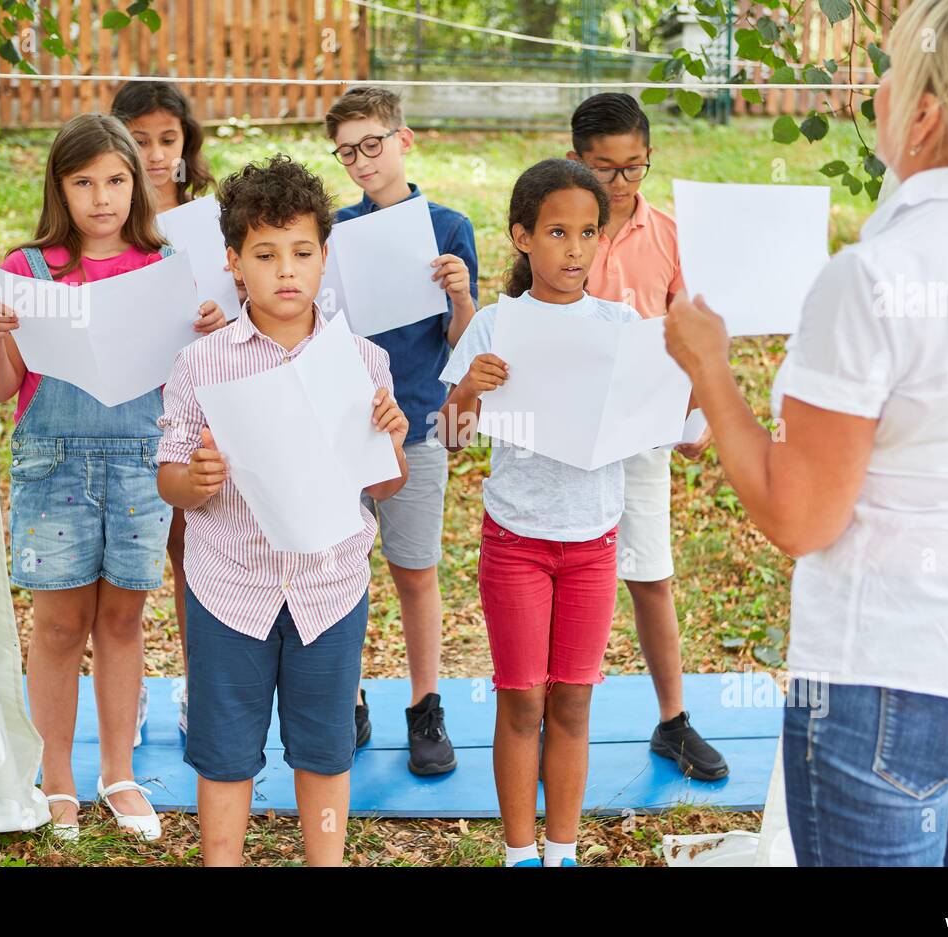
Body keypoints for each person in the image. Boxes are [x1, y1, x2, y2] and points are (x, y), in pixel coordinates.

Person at [663, 0, 948, 866]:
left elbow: (800, 519)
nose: (881, 90)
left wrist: (708, 367)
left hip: (892, 675)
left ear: (925, 112)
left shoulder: (872, 276)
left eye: (891, 72)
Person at [156, 155, 409, 866]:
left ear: (325, 257)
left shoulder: (361, 362)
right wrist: (196, 477)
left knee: (325, 751)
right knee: (225, 754)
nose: (286, 270)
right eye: (265, 255)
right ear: (234, 263)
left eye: (302, 252)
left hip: (329, 588)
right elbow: (171, 481)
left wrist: (390, 442)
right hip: (229, 587)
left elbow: (385, 489)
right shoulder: (201, 365)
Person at [0, 113, 217, 841]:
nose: (101, 197)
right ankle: (55, 773)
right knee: (58, 625)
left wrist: (210, 335)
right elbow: (3, 388)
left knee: (122, 620)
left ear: (136, 185)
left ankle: (118, 771)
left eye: (115, 180)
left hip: (139, 466)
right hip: (52, 465)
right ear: (60, 187)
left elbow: (192, 385)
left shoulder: (165, 268)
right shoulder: (28, 269)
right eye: (83, 181)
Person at [438, 159, 638, 867]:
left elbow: (654, 416)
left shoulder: (620, 325)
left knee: (574, 704)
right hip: (517, 540)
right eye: (558, 232)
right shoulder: (498, 323)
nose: (575, 249)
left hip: (593, 541)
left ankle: (562, 850)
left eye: (588, 233)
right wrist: (469, 389)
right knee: (522, 702)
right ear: (523, 237)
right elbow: (452, 439)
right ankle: (520, 852)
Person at [567, 91, 726, 781]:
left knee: (650, 574)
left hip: (641, 432)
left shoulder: (670, 235)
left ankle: (674, 720)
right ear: (576, 162)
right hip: (569, 433)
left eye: (635, 168)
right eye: (605, 169)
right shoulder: (557, 227)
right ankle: (552, 719)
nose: (622, 184)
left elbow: (691, 330)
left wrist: (698, 411)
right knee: (569, 576)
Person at [324, 85, 479, 775]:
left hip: (414, 425)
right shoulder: (334, 231)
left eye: (372, 145)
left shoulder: (448, 228)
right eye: (347, 151)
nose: (361, 162)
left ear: (403, 140)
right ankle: (345, 701)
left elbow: (466, 345)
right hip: (341, 427)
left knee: (415, 572)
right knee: (340, 572)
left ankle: (425, 707)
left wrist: (462, 294)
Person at [111, 80, 234, 745]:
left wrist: (223, 316)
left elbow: (250, 299)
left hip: (196, 405)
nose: (155, 155)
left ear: (187, 144)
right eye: (140, 140)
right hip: (124, 408)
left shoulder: (211, 223)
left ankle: (198, 685)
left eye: (168, 140)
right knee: (129, 556)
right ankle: (123, 696)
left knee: (196, 552)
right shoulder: (105, 217)